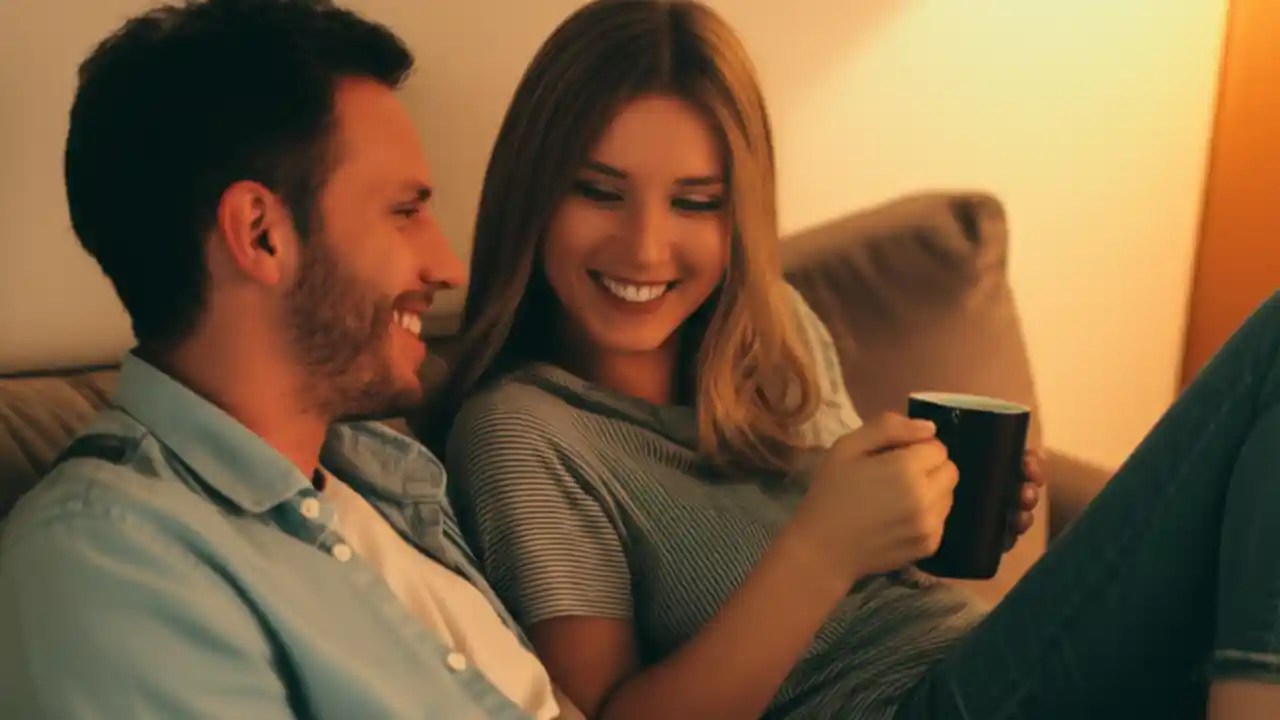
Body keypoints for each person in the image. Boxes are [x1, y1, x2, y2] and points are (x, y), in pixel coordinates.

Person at [437, 1, 1280, 718]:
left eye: (696, 202)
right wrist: (821, 548)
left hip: (991, 650)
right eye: (598, 191)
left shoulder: (775, 337)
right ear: (533, 188)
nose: (646, 246)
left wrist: (922, 518)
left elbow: (866, 589)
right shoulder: (524, 432)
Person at [0, 1, 583, 718]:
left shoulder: (382, 484)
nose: (446, 267)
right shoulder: (102, 564)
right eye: (404, 212)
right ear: (261, 234)